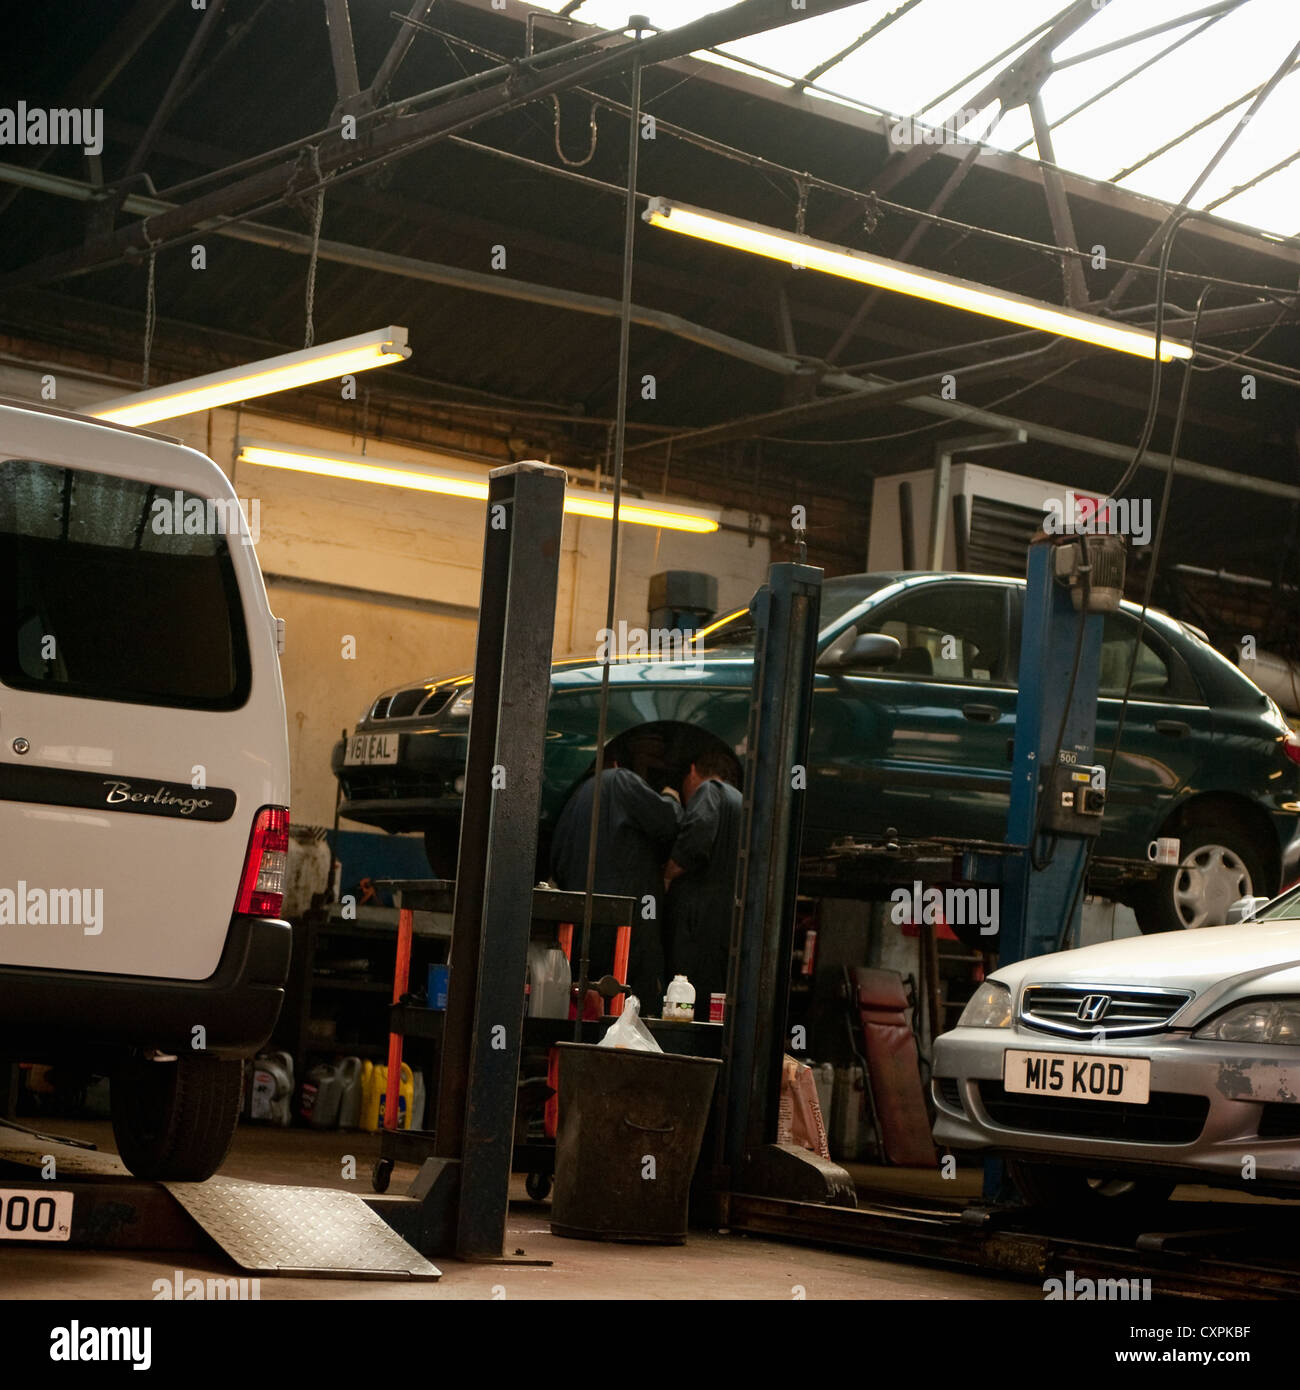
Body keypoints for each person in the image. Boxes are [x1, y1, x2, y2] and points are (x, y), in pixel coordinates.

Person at [549, 760, 681, 1008]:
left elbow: (557, 863)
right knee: (633, 1006)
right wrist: (671, 797)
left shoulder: (573, 800)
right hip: (628, 925)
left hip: (581, 930)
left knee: (589, 1008)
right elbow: (667, 821)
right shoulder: (620, 779)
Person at [664, 749, 743, 1011]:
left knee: (684, 1000)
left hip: (699, 922)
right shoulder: (741, 802)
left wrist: (668, 872)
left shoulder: (710, 790)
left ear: (693, 771)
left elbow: (697, 835)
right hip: (727, 925)